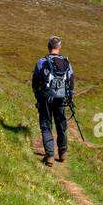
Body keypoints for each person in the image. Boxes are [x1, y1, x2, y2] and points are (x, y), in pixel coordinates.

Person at [31, 36, 74, 167]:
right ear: (59, 47)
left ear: (48, 47)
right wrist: (70, 98)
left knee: (46, 125)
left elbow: (35, 82)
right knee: (61, 125)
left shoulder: (41, 62)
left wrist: (38, 97)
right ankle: (63, 153)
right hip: (61, 98)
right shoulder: (67, 63)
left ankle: (49, 155)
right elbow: (70, 81)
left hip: (45, 98)